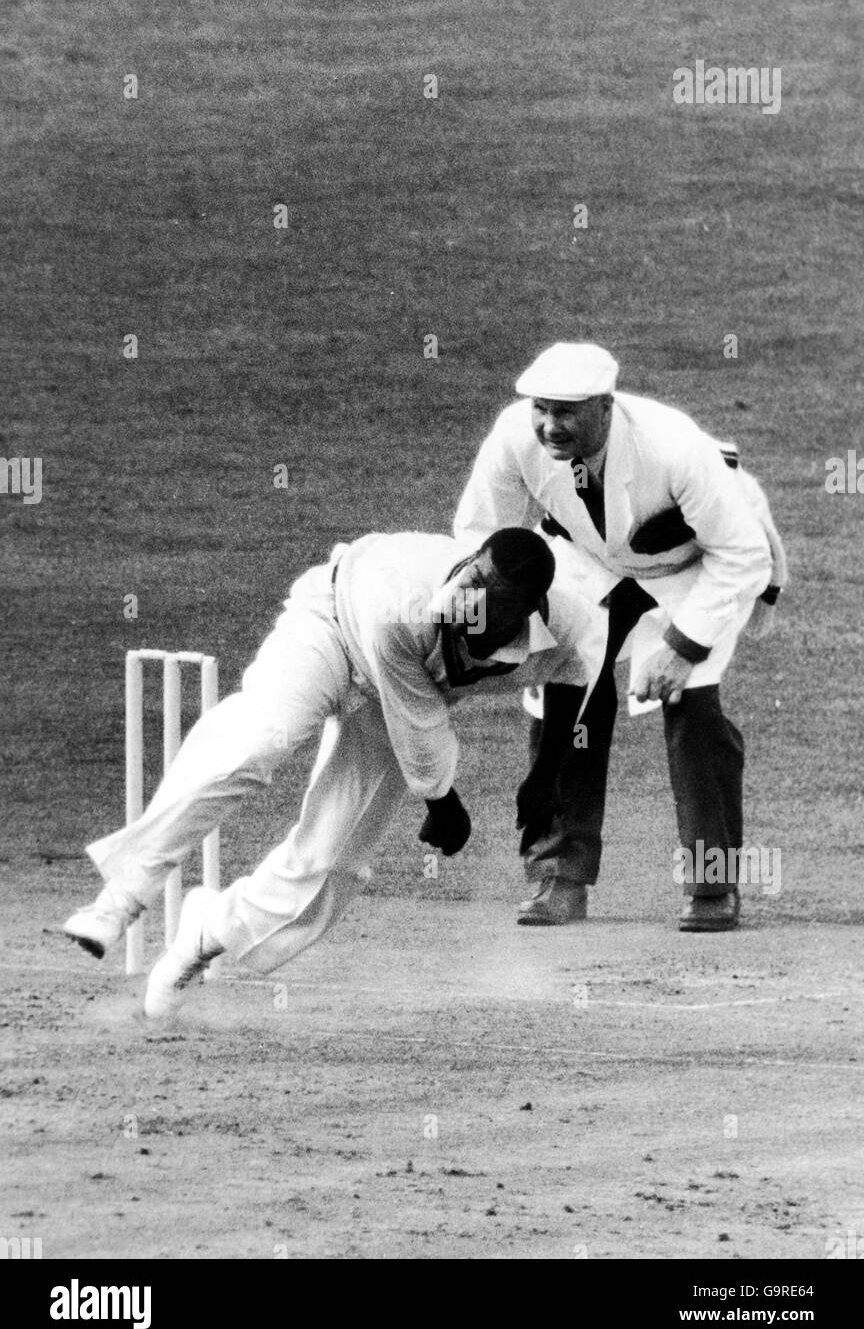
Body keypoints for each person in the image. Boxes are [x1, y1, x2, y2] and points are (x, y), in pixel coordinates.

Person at [63, 528, 603, 1017]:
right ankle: (119, 898)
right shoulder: (405, 602)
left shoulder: (568, 621)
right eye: (474, 575)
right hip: (334, 626)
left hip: (405, 691)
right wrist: (441, 801)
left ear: (531, 608)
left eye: (495, 595)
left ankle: (206, 933)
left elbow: (573, 675)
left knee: (334, 864)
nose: (471, 596)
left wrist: (544, 776)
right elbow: (414, 716)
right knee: (258, 742)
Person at [454, 342, 787, 932]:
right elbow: (484, 533)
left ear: (605, 407)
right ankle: (559, 875)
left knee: (693, 705)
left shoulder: (674, 447)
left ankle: (712, 887)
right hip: (585, 556)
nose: (549, 425)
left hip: (700, 566)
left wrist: (683, 648)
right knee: (564, 689)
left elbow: (742, 555)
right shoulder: (515, 436)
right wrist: (506, 621)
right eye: (542, 408)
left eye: (567, 412)